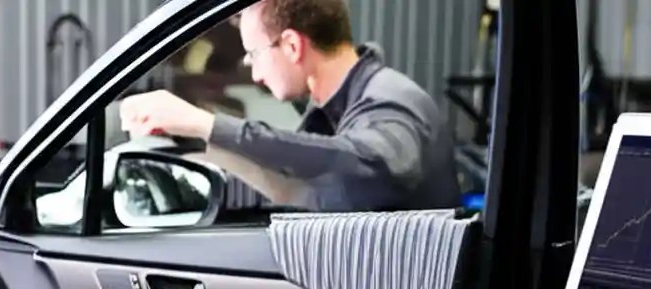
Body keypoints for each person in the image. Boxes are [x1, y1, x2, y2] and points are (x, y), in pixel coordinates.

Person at [119, 0, 461, 213]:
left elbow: (363, 169)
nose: (253, 72)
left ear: (292, 45)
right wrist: (202, 161)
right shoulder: (335, 110)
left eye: (253, 54)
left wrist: (204, 124)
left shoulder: (390, 101)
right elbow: (297, 184)